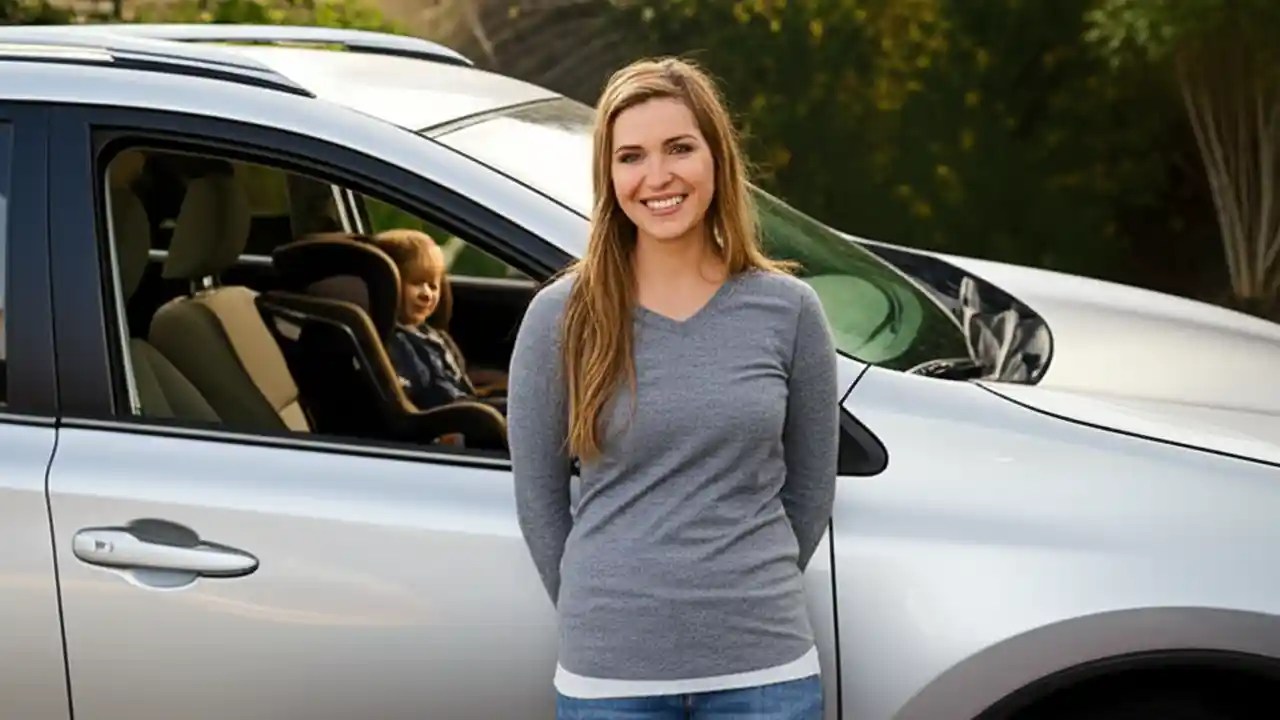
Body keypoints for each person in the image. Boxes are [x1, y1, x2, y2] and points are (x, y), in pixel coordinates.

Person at [506, 57, 839, 719]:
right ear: (609, 176)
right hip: (610, 680)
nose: (657, 177)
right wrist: (606, 612)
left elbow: (810, 493)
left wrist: (737, 593)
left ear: (717, 158)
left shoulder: (790, 310)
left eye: (679, 148)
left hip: (766, 673)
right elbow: (539, 502)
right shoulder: (560, 317)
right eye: (631, 157)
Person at [371, 229, 503, 414]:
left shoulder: (431, 335)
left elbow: (458, 386)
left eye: (433, 286)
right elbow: (432, 397)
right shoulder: (396, 343)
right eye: (416, 283)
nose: (426, 294)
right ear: (387, 284)